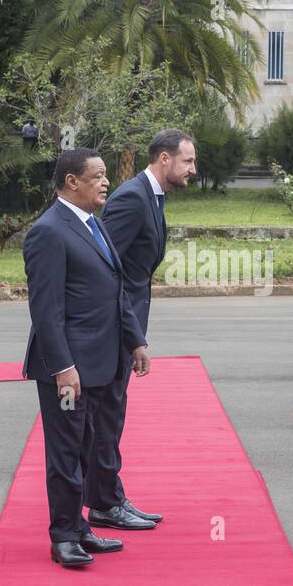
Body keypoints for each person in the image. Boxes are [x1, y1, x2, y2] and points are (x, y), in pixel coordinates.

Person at [22, 147, 150, 567]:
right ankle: (63, 536)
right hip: (69, 368)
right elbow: (46, 309)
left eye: (105, 175)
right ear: (71, 182)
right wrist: (63, 367)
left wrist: (135, 341)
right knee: (65, 451)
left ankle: (81, 529)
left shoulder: (94, 224)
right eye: (96, 176)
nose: (106, 182)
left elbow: (117, 291)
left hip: (102, 362)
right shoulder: (48, 231)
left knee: (87, 447)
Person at [94, 129, 196, 528]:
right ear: (165, 159)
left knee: (113, 414)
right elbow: (106, 271)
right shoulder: (132, 198)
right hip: (115, 326)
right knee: (107, 414)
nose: (193, 169)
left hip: (126, 322)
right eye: (188, 161)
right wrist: (134, 335)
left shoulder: (150, 196)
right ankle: (104, 502)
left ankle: (110, 495)